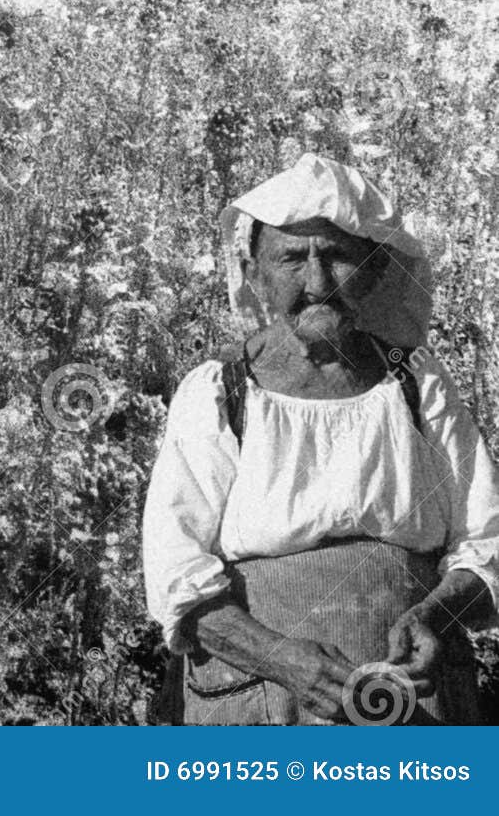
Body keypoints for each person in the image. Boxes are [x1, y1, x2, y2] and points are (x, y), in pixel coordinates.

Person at [142, 152, 499, 724]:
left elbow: (485, 543)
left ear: (376, 269)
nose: (317, 283)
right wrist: (282, 659)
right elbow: (175, 573)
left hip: (412, 695)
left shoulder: (416, 382)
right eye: (291, 259)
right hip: (255, 697)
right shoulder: (219, 392)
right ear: (254, 273)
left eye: (336, 257)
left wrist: (435, 615)